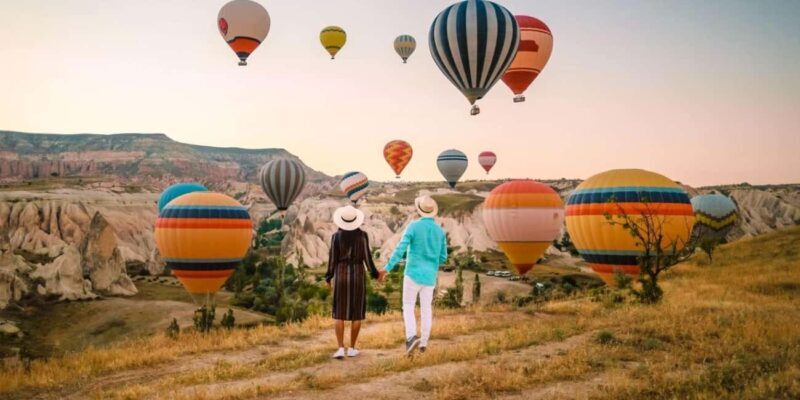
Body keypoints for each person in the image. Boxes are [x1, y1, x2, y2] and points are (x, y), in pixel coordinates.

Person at [381, 195, 447, 355]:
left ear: (419, 211)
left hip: (412, 273)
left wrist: (387, 268)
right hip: (430, 277)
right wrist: (431, 261)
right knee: (426, 308)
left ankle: (411, 338)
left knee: (408, 306)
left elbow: (400, 249)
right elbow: (443, 257)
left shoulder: (413, 226)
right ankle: (423, 343)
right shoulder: (440, 231)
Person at [325, 205, 384, 359]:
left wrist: (328, 278)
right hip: (358, 275)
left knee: (339, 313)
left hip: (341, 274)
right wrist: (376, 274)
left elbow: (332, 259)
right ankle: (351, 348)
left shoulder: (336, 237)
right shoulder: (362, 236)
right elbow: (367, 258)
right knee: (356, 313)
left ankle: (340, 349)